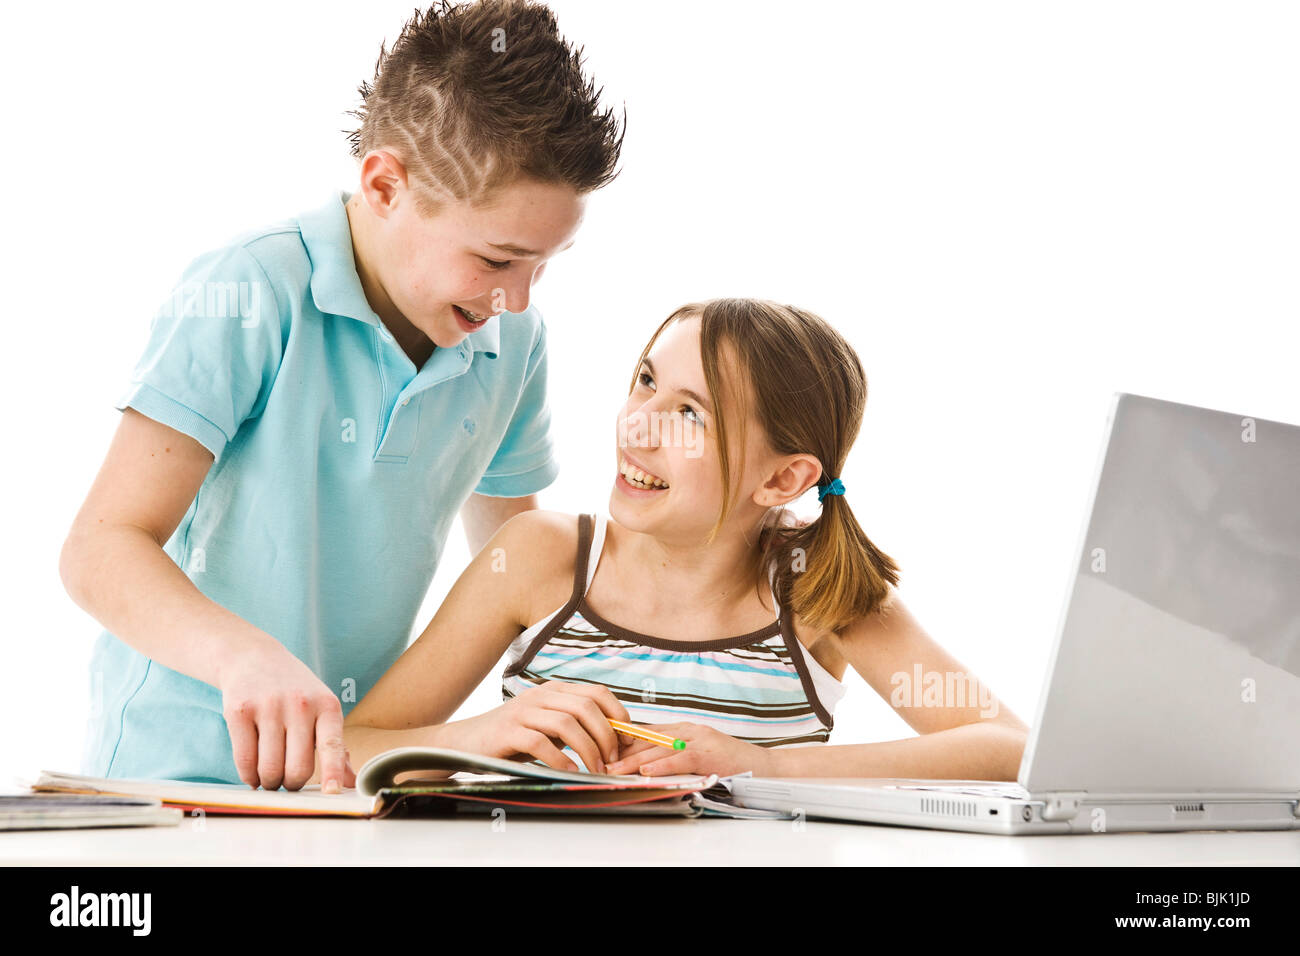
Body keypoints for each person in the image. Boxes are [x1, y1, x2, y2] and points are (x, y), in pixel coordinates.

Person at [58, 0, 625, 790]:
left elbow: (511, 573)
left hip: (349, 781)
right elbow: (100, 547)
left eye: (545, 264)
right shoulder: (252, 290)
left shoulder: (513, 343)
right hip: (173, 780)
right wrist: (244, 656)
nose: (521, 299)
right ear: (385, 185)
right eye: (498, 259)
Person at [339, 299, 1029, 781]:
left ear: (784, 477)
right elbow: (350, 746)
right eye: (645, 382)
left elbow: (1009, 747)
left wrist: (769, 766)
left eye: (689, 414)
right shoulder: (537, 558)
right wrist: (475, 740)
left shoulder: (815, 591)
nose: (638, 426)